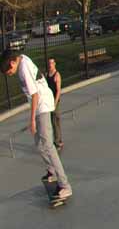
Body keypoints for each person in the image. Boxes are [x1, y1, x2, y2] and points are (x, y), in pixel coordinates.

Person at [2, 49, 72, 200]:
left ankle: (65, 186)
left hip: (43, 106)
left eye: (10, 71)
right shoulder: (20, 59)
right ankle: (52, 171)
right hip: (39, 106)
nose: (11, 74)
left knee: (47, 145)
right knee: (39, 144)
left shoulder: (23, 68)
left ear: (13, 62)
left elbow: (35, 95)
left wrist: (32, 119)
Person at [45, 58, 64, 151]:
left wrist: (55, 103)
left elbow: (58, 90)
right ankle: (56, 140)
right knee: (52, 122)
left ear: (54, 64)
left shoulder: (57, 75)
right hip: (48, 101)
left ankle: (59, 142)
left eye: (51, 63)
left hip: (54, 102)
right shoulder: (47, 74)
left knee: (56, 121)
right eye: (49, 63)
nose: (50, 65)